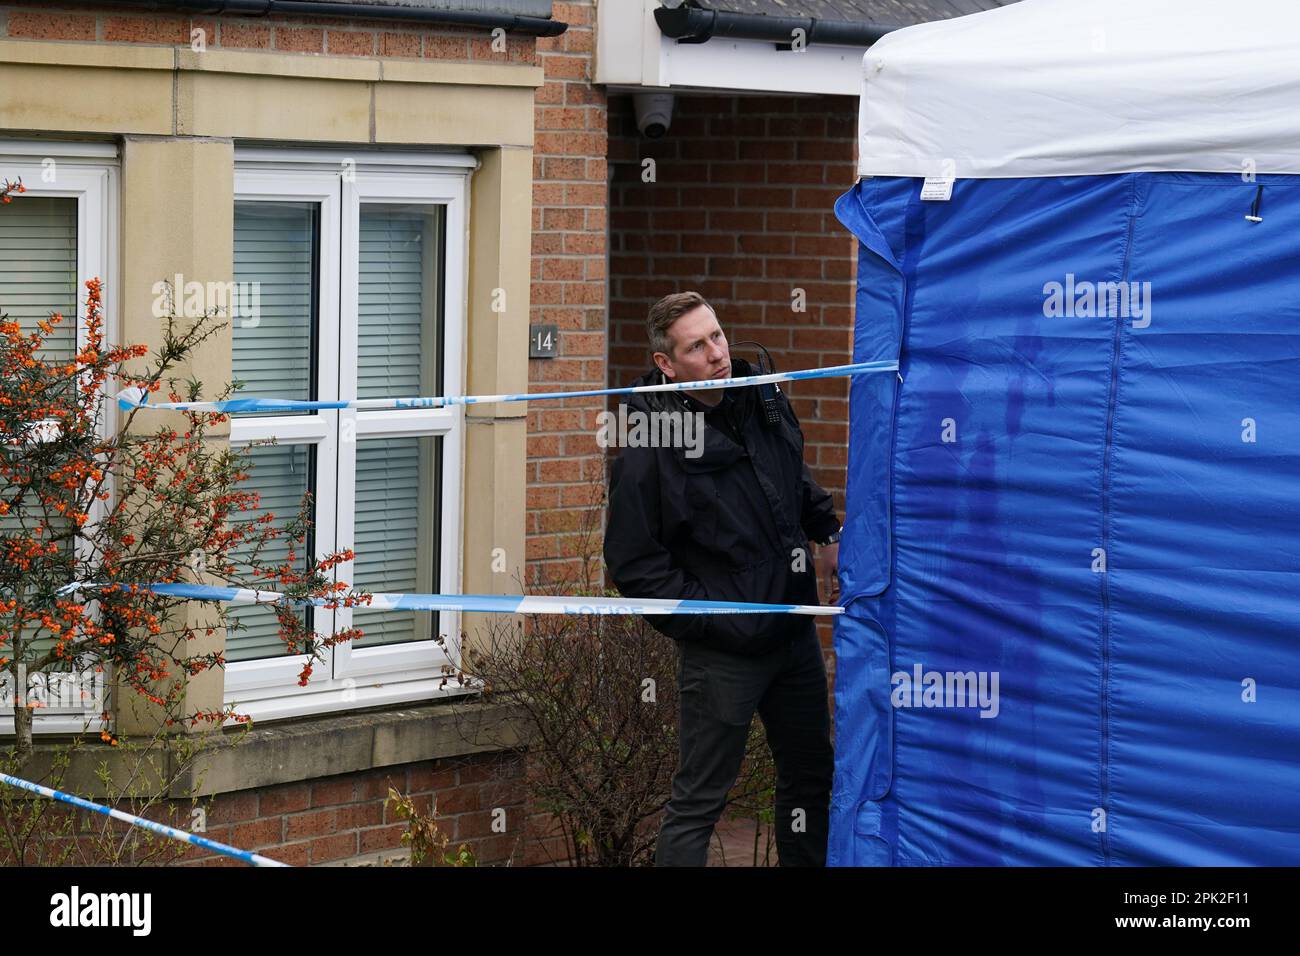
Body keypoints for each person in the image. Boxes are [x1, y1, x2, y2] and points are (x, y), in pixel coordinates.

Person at [603, 290, 842, 867]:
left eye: (717, 335)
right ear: (667, 364)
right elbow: (634, 564)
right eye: (696, 346)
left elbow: (792, 477)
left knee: (811, 781)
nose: (716, 353)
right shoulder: (648, 438)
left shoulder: (761, 396)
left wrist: (828, 533)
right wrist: (715, 620)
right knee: (698, 802)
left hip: (793, 634)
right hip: (724, 652)